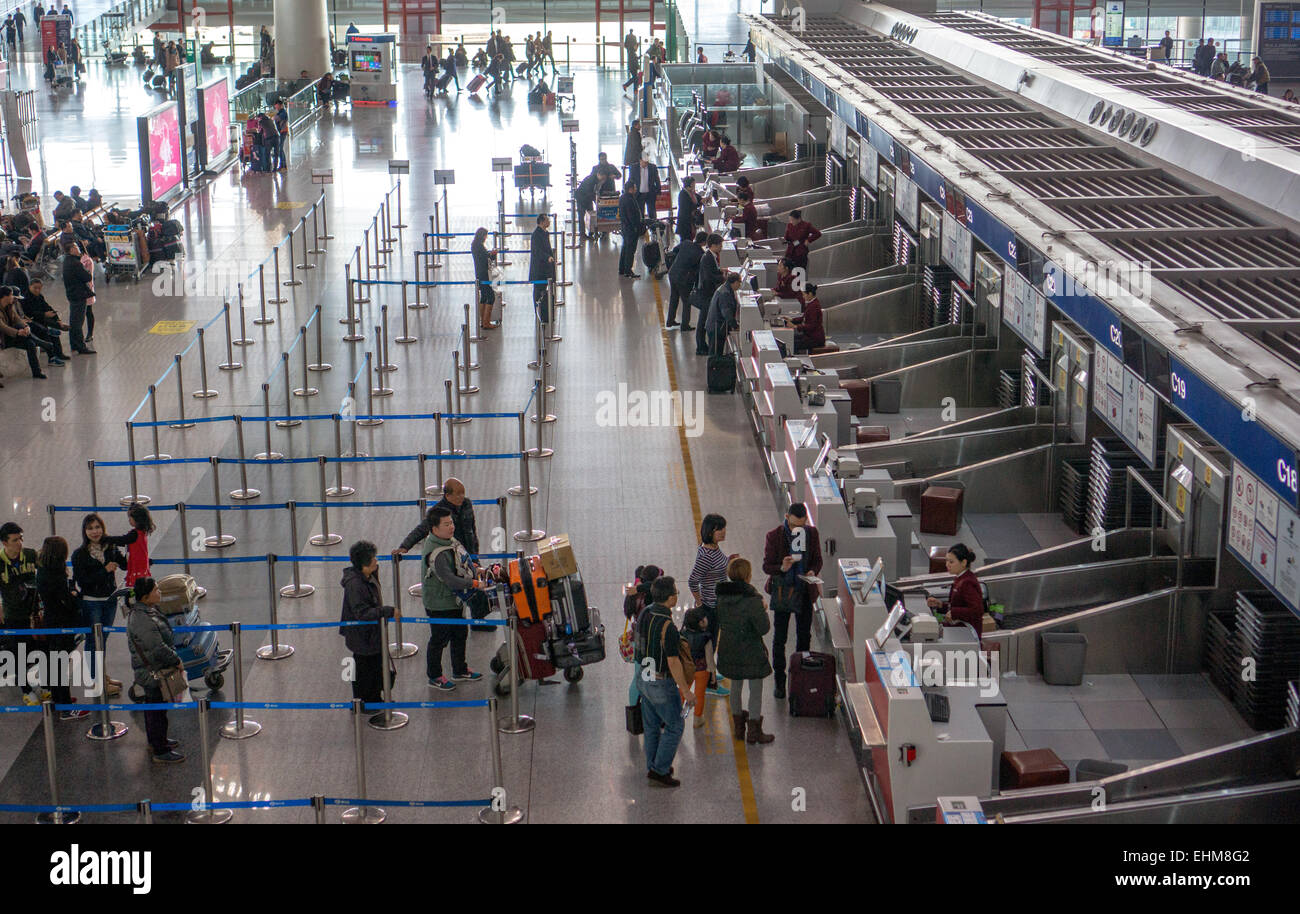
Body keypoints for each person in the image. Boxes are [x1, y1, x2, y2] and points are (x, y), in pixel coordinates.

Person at [420, 506, 487, 691]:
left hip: (453, 601)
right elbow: (450, 579)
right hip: (439, 603)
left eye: (451, 523)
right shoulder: (436, 553)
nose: (451, 527)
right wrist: (475, 584)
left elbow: (459, 560)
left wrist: (475, 568)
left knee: (460, 634)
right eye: (446, 524)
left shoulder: (448, 540)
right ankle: (434, 676)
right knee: (439, 639)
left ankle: (459, 669)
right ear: (434, 529)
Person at [634, 576, 693, 787]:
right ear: (669, 598)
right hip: (660, 681)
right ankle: (659, 770)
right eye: (676, 593)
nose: (677, 595)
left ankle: (653, 764)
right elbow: (673, 661)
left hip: (644, 675)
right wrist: (686, 691)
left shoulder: (645, 612)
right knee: (675, 725)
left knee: (651, 726)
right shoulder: (668, 627)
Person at [761, 502, 823, 700]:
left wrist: (813, 570)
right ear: (787, 517)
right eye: (795, 525)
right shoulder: (774, 536)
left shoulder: (812, 534)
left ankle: (799, 678)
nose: (798, 529)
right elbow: (767, 566)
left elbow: (818, 559)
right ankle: (780, 680)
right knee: (780, 637)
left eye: (802, 525)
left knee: (804, 636)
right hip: (783, 591)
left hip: (804, 591)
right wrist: (782, 567)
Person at [126, 577, 185, 762]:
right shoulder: (142, 619)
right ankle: (160, 750)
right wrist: (176, 660)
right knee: (156, 710)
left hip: (151, 668)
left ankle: (158, 741)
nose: (159, 592)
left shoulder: (147, 611)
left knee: (156, 709)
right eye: (156, 590)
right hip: (152, 670)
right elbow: (156, 647)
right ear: (145, 596)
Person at [716, 557, 774, 744]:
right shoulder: (752, 600)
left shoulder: (722, 597)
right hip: (751, 650)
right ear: (748, 576)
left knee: (735, 685)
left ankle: (738, 728)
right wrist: (763, 609)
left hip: (729, 648)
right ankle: (754, 732)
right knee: (755, 688)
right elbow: (763, 628)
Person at [71, 513, 127, 697]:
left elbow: (125, 565)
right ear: (84, 531)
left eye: (97, 527)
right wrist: (104, 570)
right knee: (93, 642)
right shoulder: (79, 554)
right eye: (90, 528)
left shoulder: (109, 548)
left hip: (109, 600)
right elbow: (82, 581)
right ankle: (95, 680)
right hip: (91, 603)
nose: (95, 531)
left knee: (103, 640)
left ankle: (100, 674)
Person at [35, 538, 90, 719]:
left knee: (55, 663)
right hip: (62, 623)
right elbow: (65, 600)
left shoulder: (43, 571)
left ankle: (59, 698)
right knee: (59, 664)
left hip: (52, 621)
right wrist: (74, 596)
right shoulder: (55, 575)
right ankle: (65, 707)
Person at [338, 540, 396, 707]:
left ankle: (374, 698)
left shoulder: (367, 575)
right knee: (365, 668)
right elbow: (362, 613)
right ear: (365, 564)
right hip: (363, 635)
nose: (376, 561)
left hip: (369, 633)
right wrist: (387, 611)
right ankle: (365, 702)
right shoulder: (356, 585)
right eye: (373, 558)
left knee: (374, 665)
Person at [1, 522, 44, 704]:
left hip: (34, 612)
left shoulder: (29, 554)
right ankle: (26, 690)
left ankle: (46, 685)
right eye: (14, 540)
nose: (19, 543)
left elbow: (43, 569)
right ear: (4, 543)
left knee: (41, 648)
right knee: (18, 653)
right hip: (14, 614)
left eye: (20, 538)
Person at [687, 513, 731, 694]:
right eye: (719, 529)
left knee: (712, 643)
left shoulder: (713, 549)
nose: (723, 531)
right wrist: (699, 601)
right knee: (709, 644)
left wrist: (729, 561)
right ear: (711, 531)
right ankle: (708, 683)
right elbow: (692, 580)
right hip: (710, 606)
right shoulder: (706, 555)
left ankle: (710, 673)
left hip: (716, 604)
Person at [396, 478, 480, 560]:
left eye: (463, 493)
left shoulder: (467, 504)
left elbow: (472, 528)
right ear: (447, 495)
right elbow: (421, 529)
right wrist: (405, 546)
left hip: (470, 552)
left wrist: (475, 552)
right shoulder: (438, 511)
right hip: (452, 555)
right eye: (458, 494)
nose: (462, 496)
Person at [1, 285, 65, 377]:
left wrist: (26, 327)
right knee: (22, 328)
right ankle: (42, 343)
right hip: (5, 338)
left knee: (30, 343)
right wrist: (18, 332)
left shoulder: (9, 307)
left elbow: (18, 319)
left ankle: (37, 372)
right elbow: (3, 327)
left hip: (14, 335)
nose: (13, 297)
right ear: (5, 296)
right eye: (11, 295)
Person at [623, 563, 661, 706]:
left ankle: (633, 709)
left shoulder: (632, 595)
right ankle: (648, 711)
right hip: (649, 639)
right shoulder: (650, 594)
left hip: (637, 636)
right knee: (649, 677)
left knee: (638, 676)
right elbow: (653, 585)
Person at [926, 543, 984, 634]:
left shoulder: (967, 583)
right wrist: (940, 605)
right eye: (946, 561)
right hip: (960, 628)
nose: (947, 565)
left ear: (964, 563)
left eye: (951, 562)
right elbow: (958, 605)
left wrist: (955, 612)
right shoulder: (959, 578)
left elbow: (977, 610)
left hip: (967, 634)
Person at [666, 230, 705, 330]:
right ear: (704, 242)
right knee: (686, 301)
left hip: (673, 273)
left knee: (674, 298)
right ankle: (685, 325)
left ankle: (670, 321)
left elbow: (675, 250)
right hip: (683, 279)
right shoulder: (700, 253)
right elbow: (697, 271)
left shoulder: (686, 243)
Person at [693, 233, 724, 355]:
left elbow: (711, 272)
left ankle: (702, 345)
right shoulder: (707, 258)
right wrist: (722, 278)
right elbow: (708, 277)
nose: (721, 247)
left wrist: (720, 271)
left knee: (704, 319)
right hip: (706, 294)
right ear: (714, 245)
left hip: (707, 292)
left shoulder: (710, 256)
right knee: (703, 321)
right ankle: (700, 347)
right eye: (720, 245)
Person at [682, 605, 712, 728]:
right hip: (702, 669)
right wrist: (713, 674)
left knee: (683, 691)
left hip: (686, 668)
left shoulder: (682, 635)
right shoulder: (706, 637)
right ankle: (697, 718)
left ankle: (678, 716)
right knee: (699, 694)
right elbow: (709, 658)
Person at [61, 243, 95, 354]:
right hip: (79, 294)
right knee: (78, 322)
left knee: (73, 320)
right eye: (75, 247)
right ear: (71, 249)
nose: (78, 248)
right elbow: (87, 277)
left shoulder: (67, 261)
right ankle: (81, 346)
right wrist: (88, 272)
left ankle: (74, 344)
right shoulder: (75, 263)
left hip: (72, 294)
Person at [704, 271, 742, 358]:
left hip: (717, 326)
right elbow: (726, 313)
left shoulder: (726, 289)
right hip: (716, 328)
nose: (740, 285)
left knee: (716, 352)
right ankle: (714, 370)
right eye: (739, 282)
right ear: (735, 282)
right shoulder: (725, 293)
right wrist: (735, 326)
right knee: (715, 355)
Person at [528, 213, 555, 322]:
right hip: (539, 268)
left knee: (543, 289)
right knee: (538, 289)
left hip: (545, 268)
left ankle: (543, 310)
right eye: (547, 220)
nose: (549, 222)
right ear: (542, 222)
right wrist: (547, 257)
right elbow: (537, 251)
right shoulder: (536, 235)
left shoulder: (545, 233)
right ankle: (538, 310)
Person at [470, 228, 498, 330]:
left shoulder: (475, 245)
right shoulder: (480, 246)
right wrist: (492, 254)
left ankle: (482, 321)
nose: (486, 237)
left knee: (484, 297)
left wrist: (490, 255)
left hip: (479, 273)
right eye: (486, 235)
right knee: (491, 297)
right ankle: (486, 322)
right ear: (483, 236)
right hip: (484, 274)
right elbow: (486, 259)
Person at [617, 182, 643, 279]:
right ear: (630, 189)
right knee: (630, 250)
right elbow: (631, 215)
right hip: (631, 229)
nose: (636, 189)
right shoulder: (629, 199)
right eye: (635, 187)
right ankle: (628, 270)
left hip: (625, 227)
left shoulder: (623, 198)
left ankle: (622, 268)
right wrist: (636, 227)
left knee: (625, 248)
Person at [789, 284, 825, 353]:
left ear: (810, 294)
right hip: (810, 336)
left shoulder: (814, 306)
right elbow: (804, 318)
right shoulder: (811, 303)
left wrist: (795, 326)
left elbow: (812, 325)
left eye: (804, 294)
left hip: (815, 339)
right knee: (791, 339)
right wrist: (792, 320)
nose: (803, 297)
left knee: (794, 344)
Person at [629, 151, 661, 222]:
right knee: (640, 212)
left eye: (647, 160)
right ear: (640, 160)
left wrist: (658, 191)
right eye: (644, 161)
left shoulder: (652, 167)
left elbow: (657, 180)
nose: (646, 163)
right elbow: (631, 180)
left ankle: (654, 228)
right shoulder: (634, 168)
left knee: (652, 212)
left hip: (650, 193)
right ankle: (641, 228)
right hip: (639, 194)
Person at [676, 175, 702, 247]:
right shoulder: (683, 194)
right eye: (694, 184)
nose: (694, 185)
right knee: (685, 242)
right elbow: (687, 207)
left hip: (690, 222)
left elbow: (698, 199)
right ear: (690, 184)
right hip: (685, 223)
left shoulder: (691, 193)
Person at [272, 99, 289, 171]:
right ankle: (283, 165)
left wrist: (273, 117)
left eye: (277, 106)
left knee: (280, 148)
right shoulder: (280, 112)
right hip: (281, 132)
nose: (276, 107)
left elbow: (278, 118)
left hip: (283, 131)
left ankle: (283, 166)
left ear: (281, 105)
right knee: (280, 149)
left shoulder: (283, 112)